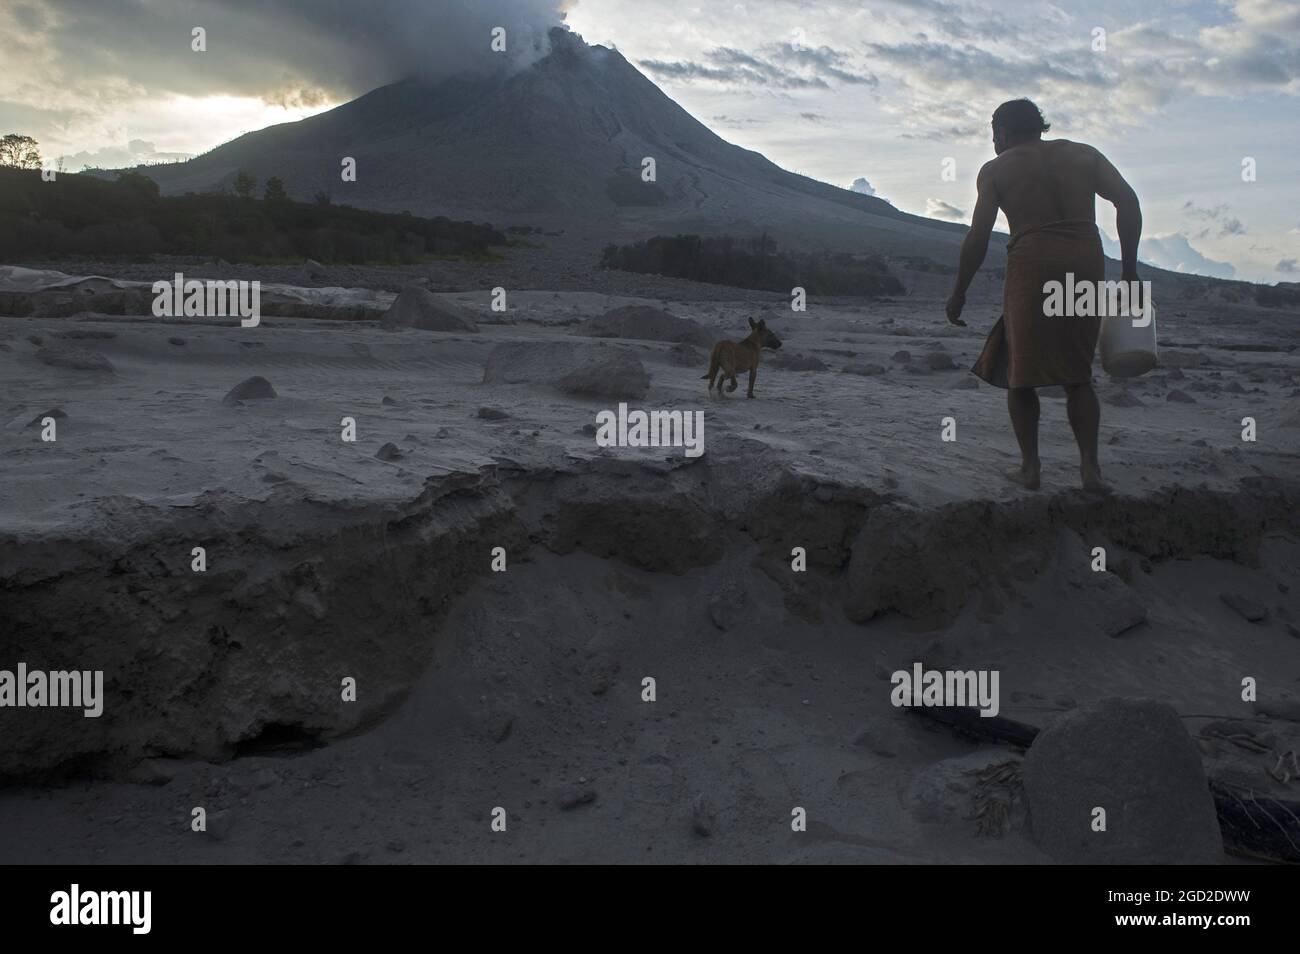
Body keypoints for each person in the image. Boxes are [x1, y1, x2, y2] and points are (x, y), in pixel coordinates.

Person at [945, 98, 1143, 493]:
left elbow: (978, 237)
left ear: (1001, 131)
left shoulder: (997, 169)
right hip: (1085, 262)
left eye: (993, 131)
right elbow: (1129, 202)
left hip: (1033, 265)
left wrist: (959, 291)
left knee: (1020, 374)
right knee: (1078, 375)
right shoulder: (1084, 155)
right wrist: (1130, 270)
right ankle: (1090, 470)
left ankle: (1030, 468)